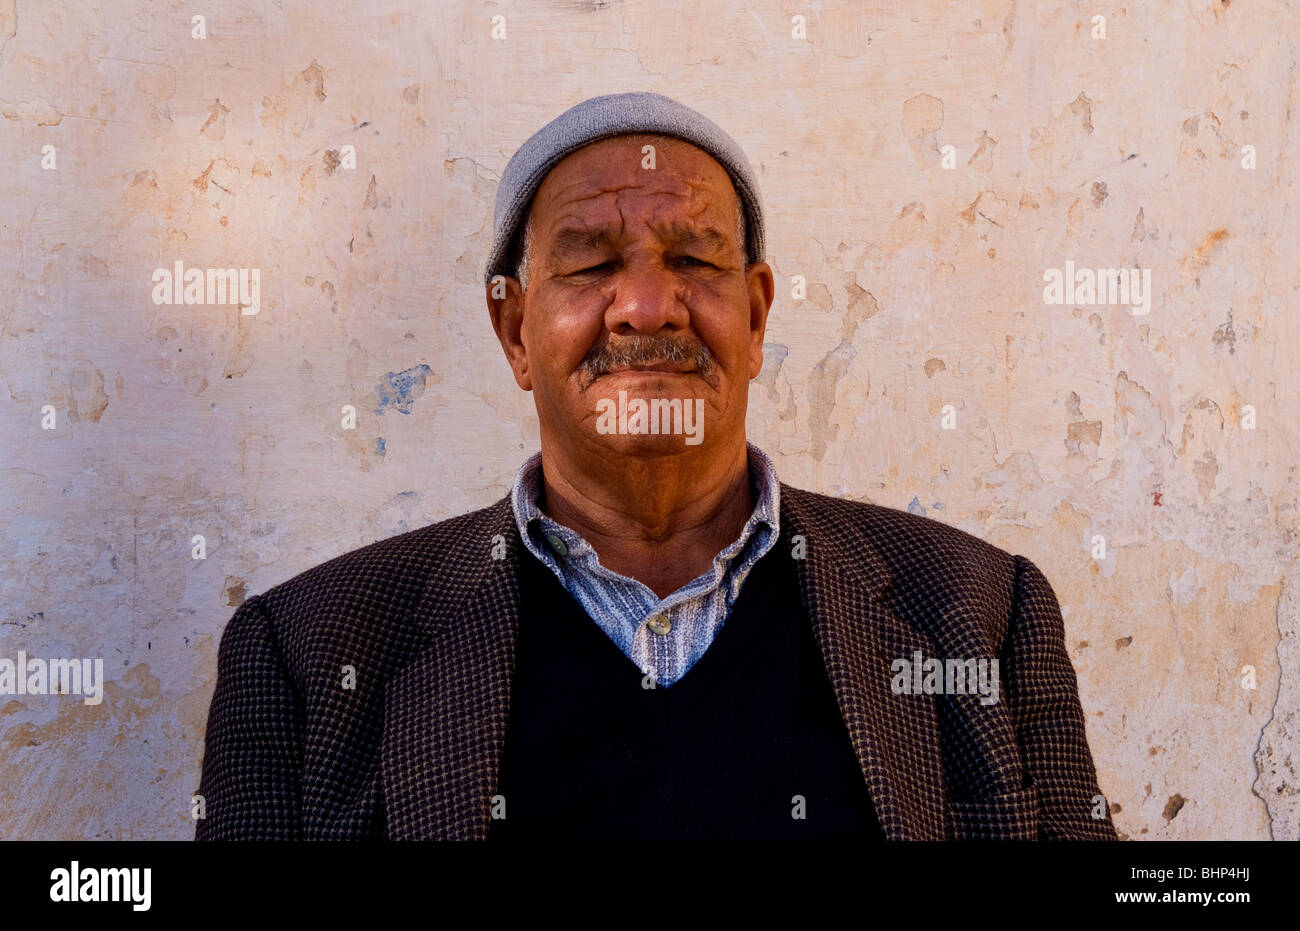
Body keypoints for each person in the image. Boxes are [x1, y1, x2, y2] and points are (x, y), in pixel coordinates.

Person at [195, 91, 1115, 840]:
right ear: (515, 330)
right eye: (591, 264)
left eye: (692, 259)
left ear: (754, 319)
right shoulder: (311, 658)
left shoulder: (975, 615)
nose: (645, 306)